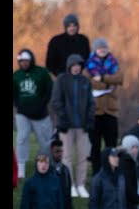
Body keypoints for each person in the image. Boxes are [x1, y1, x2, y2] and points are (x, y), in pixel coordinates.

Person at [50, 54, 95, 198]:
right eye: (74, 65)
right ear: (69, 66)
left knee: (83, 156)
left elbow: (91, 103)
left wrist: (89, 120)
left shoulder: (85, 81)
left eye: (79, 65)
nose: (76, 68)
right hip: (66, 126)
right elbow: (56, 101)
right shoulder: (61, 80)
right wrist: (63, 119)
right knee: (67, 157)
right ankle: (70, 185)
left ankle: (81, 185)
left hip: (82, 126)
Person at [13, 48, 54, 179]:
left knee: (45, 141)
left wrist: (41, 105)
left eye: (26, 61)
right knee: (22, 138)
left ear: (31, 60)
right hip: (22, 114)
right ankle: (21, 168)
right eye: (21, 61)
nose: (24, 63)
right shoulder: (16, 75)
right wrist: (18, 104)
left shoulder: (41, 73)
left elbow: (49, 90)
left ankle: (47, 165)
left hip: (40, 114)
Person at [87, 37, 123, 179]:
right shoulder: (88, 65)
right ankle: (96, 174)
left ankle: (110, 173)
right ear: (95, 49)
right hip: (95, 113)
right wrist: (109, 83)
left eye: (104, 47)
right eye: (100, 47)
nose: (102, 49)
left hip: (111, 112)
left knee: (111, 146)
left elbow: (119, 79)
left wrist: (101, 78)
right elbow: (91, 83)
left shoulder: (114, 63)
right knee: (94, 147)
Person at [44, 13, 90, 83]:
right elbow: (49, 63)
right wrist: (59, 76)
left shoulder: (83, 40)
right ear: (65, 27)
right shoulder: (56, 41)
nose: (72, 28)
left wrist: (82, 73)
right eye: (69, 26)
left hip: (80, 78)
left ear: (78, 26)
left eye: (74, 25)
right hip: (61, 78)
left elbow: (87, 58)